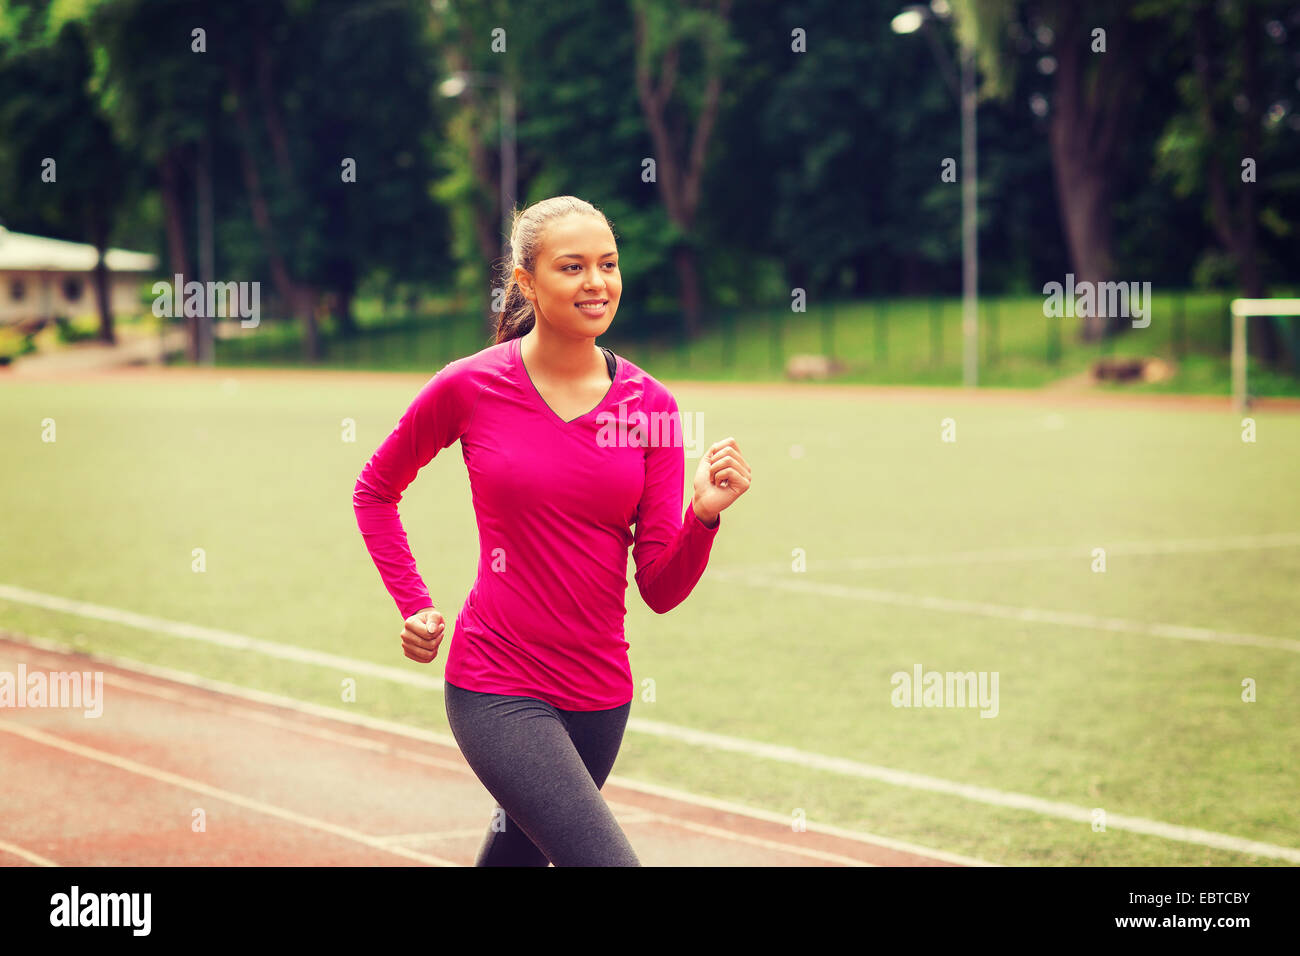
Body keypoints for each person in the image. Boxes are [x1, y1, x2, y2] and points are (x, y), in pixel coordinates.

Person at [352, 195, 751, 866]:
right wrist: (414, 603)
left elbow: (658, 586)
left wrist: (704, 515)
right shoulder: (469, 387)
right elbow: (376, 491)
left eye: (609, 265)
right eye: (573, 267)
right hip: (496, 681)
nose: (597, 284)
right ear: (526, 282)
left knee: (513, 862)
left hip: (601, 694)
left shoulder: (652, 408)